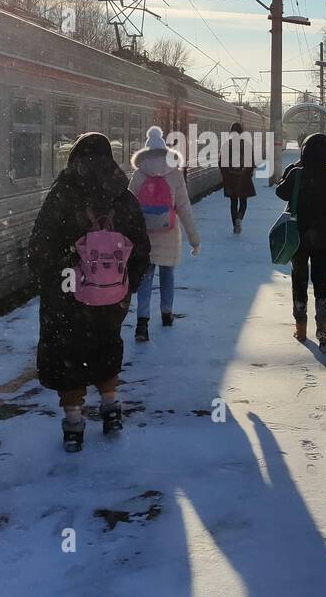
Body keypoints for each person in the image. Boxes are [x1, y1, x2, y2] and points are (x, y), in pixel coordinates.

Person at [28, 132, 151, 453]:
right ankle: (111, 409)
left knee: (68, 357)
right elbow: (141, 250)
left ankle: (73, 425)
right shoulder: (124, 198)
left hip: (65, 298)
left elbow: (40, 248)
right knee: (107, 348)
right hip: (110, 297)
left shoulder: (62, 195)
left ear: (74, 158)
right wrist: (125, 287)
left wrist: (60, 280)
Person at [275, 132, 326, 352]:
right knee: (323, 282)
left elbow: (280, 191)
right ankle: (323, 329)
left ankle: (300, 327)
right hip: (324, 240)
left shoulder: (297, 174)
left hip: (298, 238)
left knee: (299, 281)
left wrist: (293, 168)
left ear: (304, 153)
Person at [128, 125, 201, 342]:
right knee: (167, 275)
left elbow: (129, 209)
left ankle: (142, 322)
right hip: (168, 233)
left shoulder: (139, 175)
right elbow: (184, 208)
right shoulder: (175, 175)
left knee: (145, 278)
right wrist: (194, 239)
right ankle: (167, 313)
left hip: (145, 236)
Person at [220, 122, 257, 233]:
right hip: (243, 180)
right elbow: (251, 163)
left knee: (233, 203)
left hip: (231, 179)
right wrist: (247, 174)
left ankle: (235, 226)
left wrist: (226, 176)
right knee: (243, 202)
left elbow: (221, 163)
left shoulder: (226, 145)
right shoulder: (246, 145)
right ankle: (239, 218)